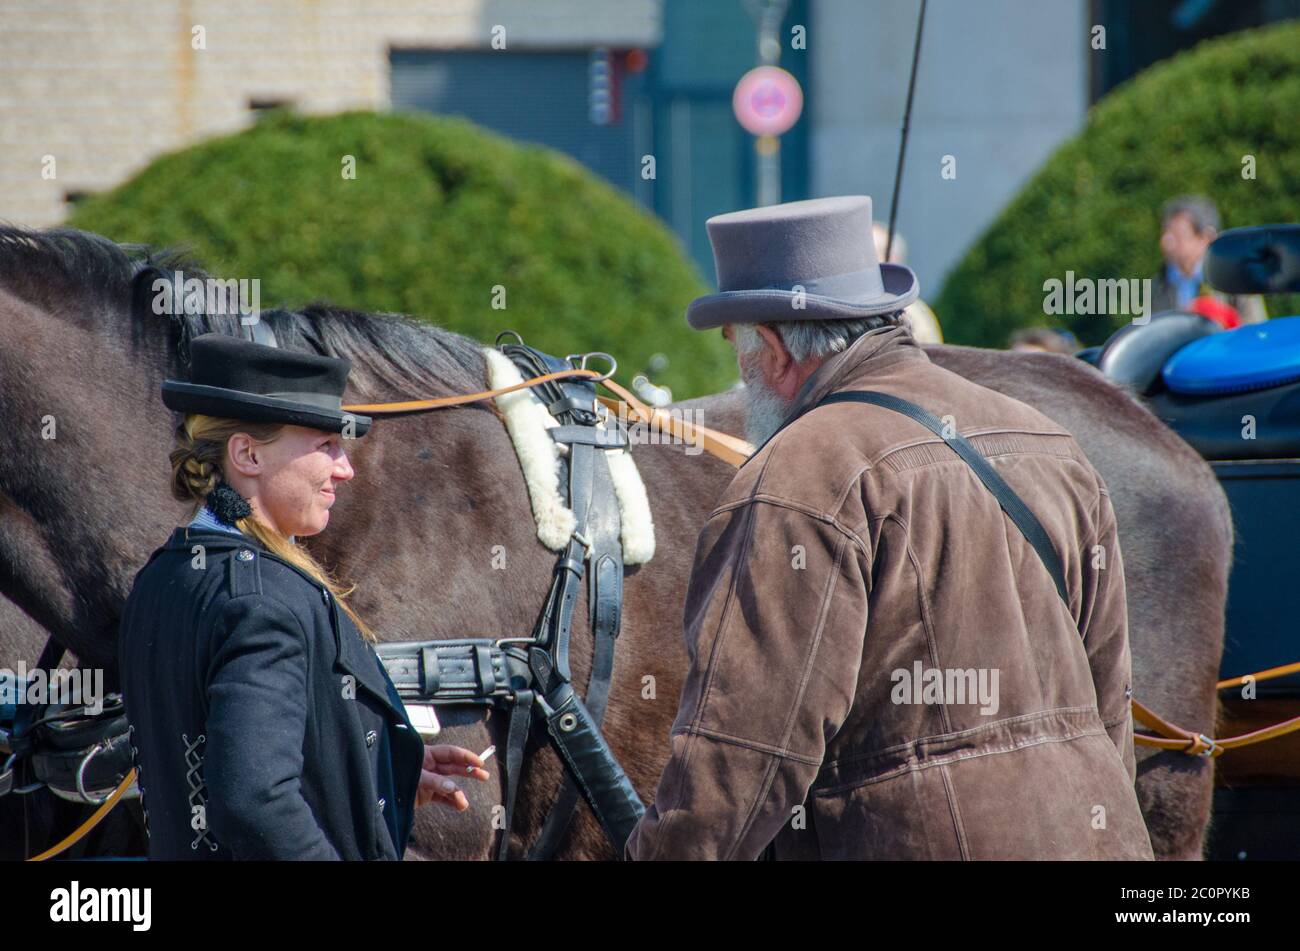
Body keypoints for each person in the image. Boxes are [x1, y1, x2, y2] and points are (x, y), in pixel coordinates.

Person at [624, 196, 1154, 860]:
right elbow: (1110, 704)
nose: (738, 368)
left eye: (736, 343)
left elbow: (737, 763)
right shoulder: (1049, 441)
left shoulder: (797, 477)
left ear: (776, 346)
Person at [119, 333, 489, 860]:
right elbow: (254, 800)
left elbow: (225, 757)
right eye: (325, 445)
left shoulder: (162, 576)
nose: (346, 468)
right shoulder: (263, 601)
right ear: (247, 454)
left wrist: (383, 773)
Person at [1153, 195, 1266, 324]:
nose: (1166, 243)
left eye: (1177, 235)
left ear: (1206, 238)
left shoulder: (1236, 280)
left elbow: (1256, 330)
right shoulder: (1160, 285)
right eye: (1165, 233)